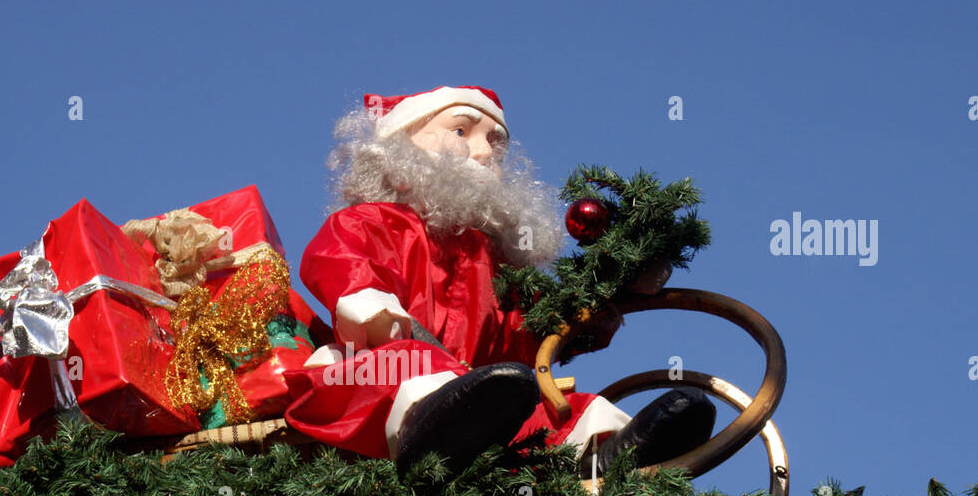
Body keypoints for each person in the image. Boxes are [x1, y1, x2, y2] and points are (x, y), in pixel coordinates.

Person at [283, 85, 715, 474]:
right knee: (406, 369)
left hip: (490, 394)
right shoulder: (375, 221)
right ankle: (434, 425)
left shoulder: (498, 262)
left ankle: (612, 454)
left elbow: (543, 325)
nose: (486, 152)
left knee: (542, 405)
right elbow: (339, 259)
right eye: (461, 131)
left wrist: (613, 287)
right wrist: (370, 304)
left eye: (495, 142)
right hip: (377, 371)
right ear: (401, 148)